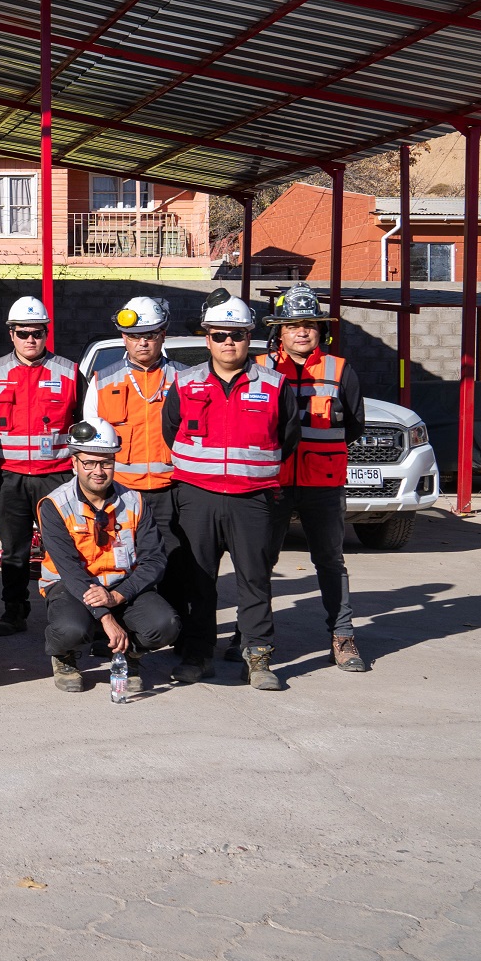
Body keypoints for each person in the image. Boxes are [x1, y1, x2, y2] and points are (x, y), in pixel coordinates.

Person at [162, 290, 299, 690]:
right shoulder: (185, 382)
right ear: (207, 338)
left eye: (237, 335)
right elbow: (171, 431)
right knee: (198, 581)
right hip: (197, 497)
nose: (228, 342)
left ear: (248, 337)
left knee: (254, 580)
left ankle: (257, 658)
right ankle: (198, 655)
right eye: (219, 335)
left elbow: (287, 437)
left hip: (252, 500)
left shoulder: (275, 385)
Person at [261, 284, 369, 673]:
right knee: (260, 560)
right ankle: (253, 636)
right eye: (293, 325)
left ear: (321, 330)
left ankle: (342, 637)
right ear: (280, 331)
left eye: (310, 324)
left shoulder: (340, 370)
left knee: (329, 560)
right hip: (271, 482)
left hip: (323, 483)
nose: (302, 332)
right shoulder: (260, 368)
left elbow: (353, 425)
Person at [37, 419, 182, 694]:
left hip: (121, 587)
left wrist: (117, 597)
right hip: (71, 586)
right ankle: (64, 656)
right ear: (74, 463)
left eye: (106, 463)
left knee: (166, 625)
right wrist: (105, 617)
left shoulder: (135, 501)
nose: (98, 471)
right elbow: (69, 569)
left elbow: (154, 560)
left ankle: (129, 654)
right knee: (70, 629)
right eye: (89, 463)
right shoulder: (54, 505)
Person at [81, 296, 194, 636]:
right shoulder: (102, 380)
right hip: (121, 495)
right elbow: (92, 446)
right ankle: (115, 632)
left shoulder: (186, 378)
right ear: (123, 337)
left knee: (175, 566)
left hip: (172, 491)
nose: (142, 342)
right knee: (117, 563)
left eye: (150, 334)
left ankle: (174, 632)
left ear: (163, 335)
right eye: (134, 336)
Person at [0, 296, 83, 636]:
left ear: (46, 333)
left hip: (55, 476)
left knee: (62, 547)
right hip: (8, 476)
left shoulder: (69, 373)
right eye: (23, 333)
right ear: (11, 333)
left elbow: (85, 425)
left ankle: (67, 611)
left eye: (37, 333)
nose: (30, 340)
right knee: (14, 550)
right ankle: (14, 611)